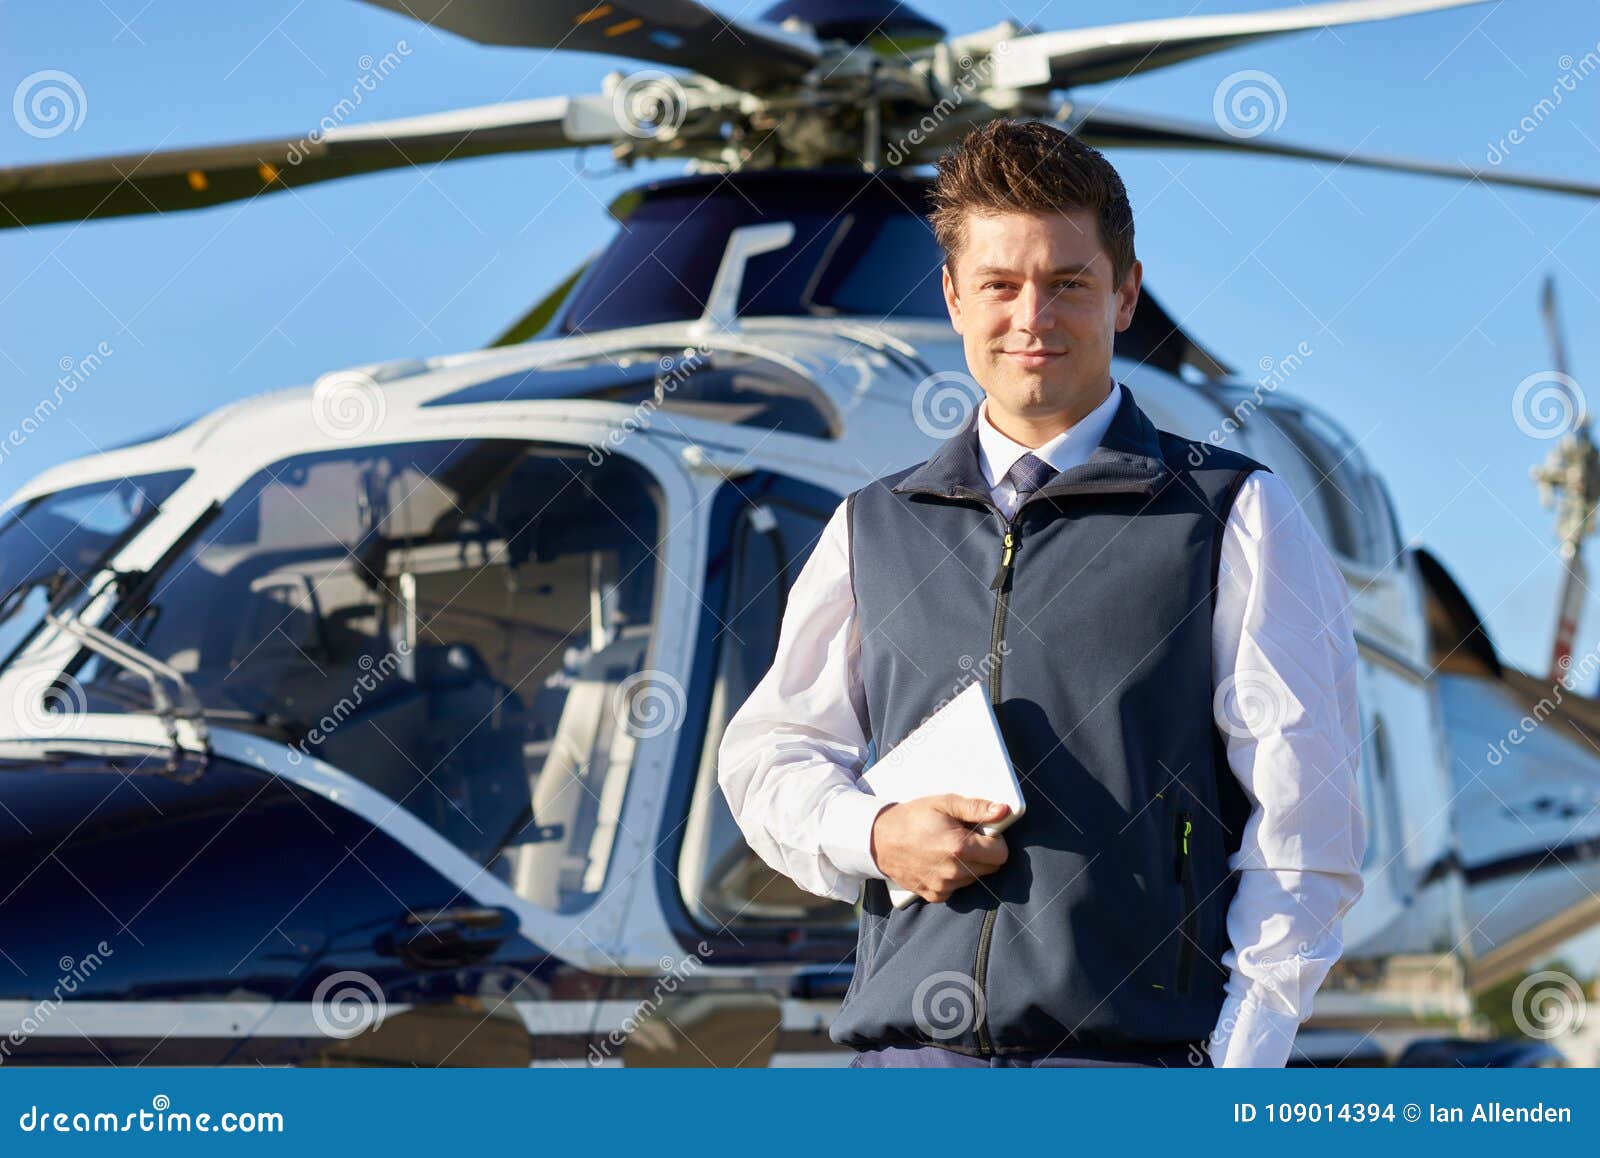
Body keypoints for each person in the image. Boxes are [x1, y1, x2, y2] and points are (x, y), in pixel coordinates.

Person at [716, 118, 1366, 1068]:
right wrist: (876, 831)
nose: (1033, 318)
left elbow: (1306, 832)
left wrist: (1235, 1077)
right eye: (1000, 285)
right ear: (951, 295)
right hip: (902, 1078)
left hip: (1124, 1075)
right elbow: (768, 757)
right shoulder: (872, 525)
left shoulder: (1233, 514)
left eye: (1068, 283)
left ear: (1124, 294)